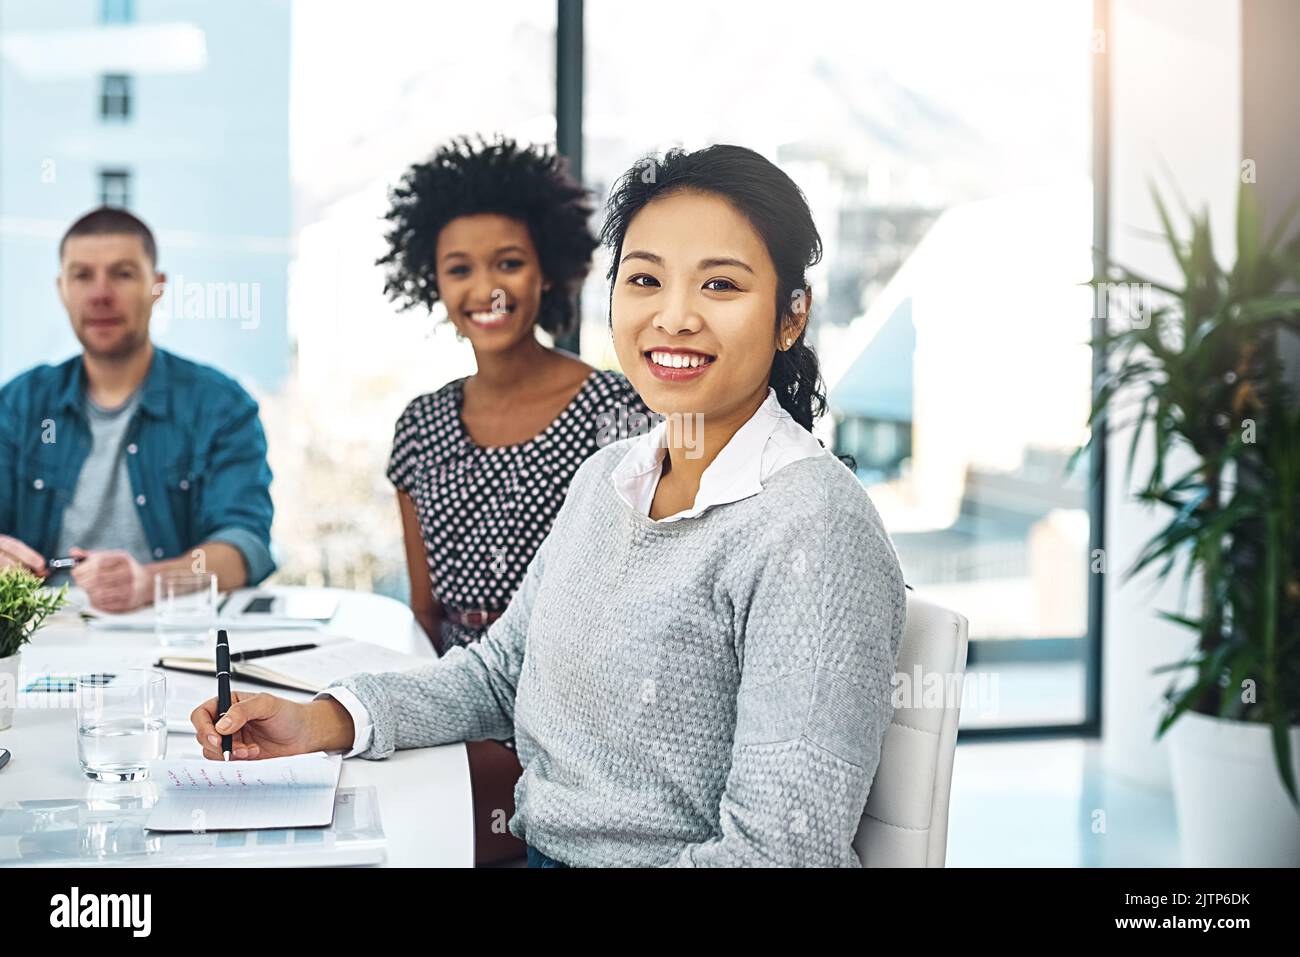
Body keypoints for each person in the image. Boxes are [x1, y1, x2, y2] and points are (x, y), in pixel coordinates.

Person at [193, 144, 906, 868]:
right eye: (645, 280)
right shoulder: (607, 479)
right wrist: (324, 718)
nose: (675, 316)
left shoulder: (813, 527)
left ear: (791, 318)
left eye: (720, 285)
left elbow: (781, 854)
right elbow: (501, 671)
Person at [377, 135, 650, 864]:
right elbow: (425, 613)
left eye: (509, 262)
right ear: (430, 281)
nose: (485, 288)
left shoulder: (617, 409)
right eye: (459, 268)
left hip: (575, 711)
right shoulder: (420, 425)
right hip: (460, 697)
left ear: (546, 272)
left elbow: (636, 604)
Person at [0, 207, 275, 612]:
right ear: (62, 289)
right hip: (39, 643)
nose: (100, 294)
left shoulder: (219, 404)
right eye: (82, 275)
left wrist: (149, 581)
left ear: (157, 286)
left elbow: (243, 546)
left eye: (123, 274)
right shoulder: (20, 404)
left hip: (172, 641)